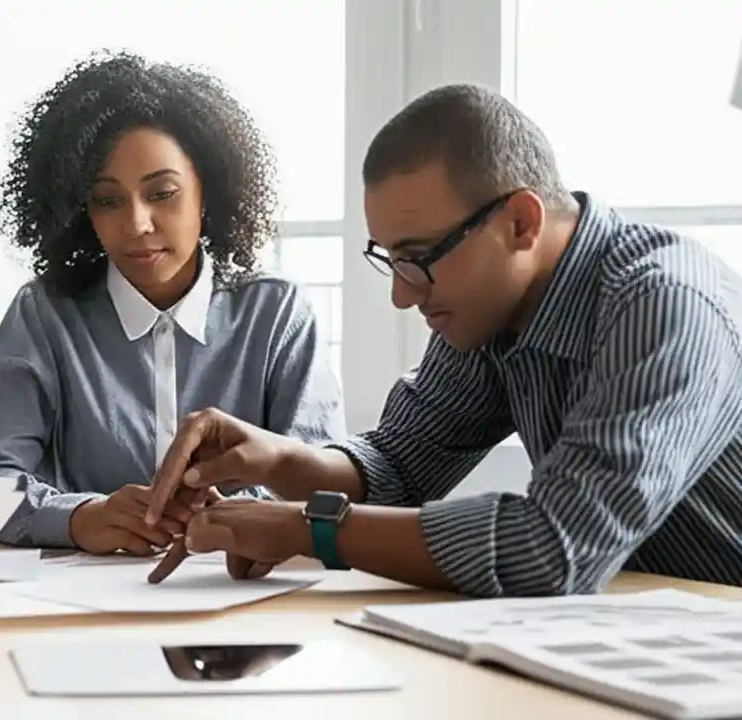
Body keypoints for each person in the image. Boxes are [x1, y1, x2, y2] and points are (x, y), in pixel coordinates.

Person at [145, 83, 742, 596]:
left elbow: (555, 547)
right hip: (647, 627)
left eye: (419, 258)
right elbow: (401, 468)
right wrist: (278, 459)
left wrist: (310, 528)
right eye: (391, 260)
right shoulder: (493, 310)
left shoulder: (665, 303)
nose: (404, 296)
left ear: (521, 224)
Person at [0, 52, 344, 556]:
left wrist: (234, 513)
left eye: (162, 193)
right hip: (81, 608)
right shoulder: (43, 315)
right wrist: (80, 517)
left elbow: (321, 480)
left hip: (241, 600)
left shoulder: (276, 315)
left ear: (208, 189)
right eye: (108, 200)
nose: (137, 223)